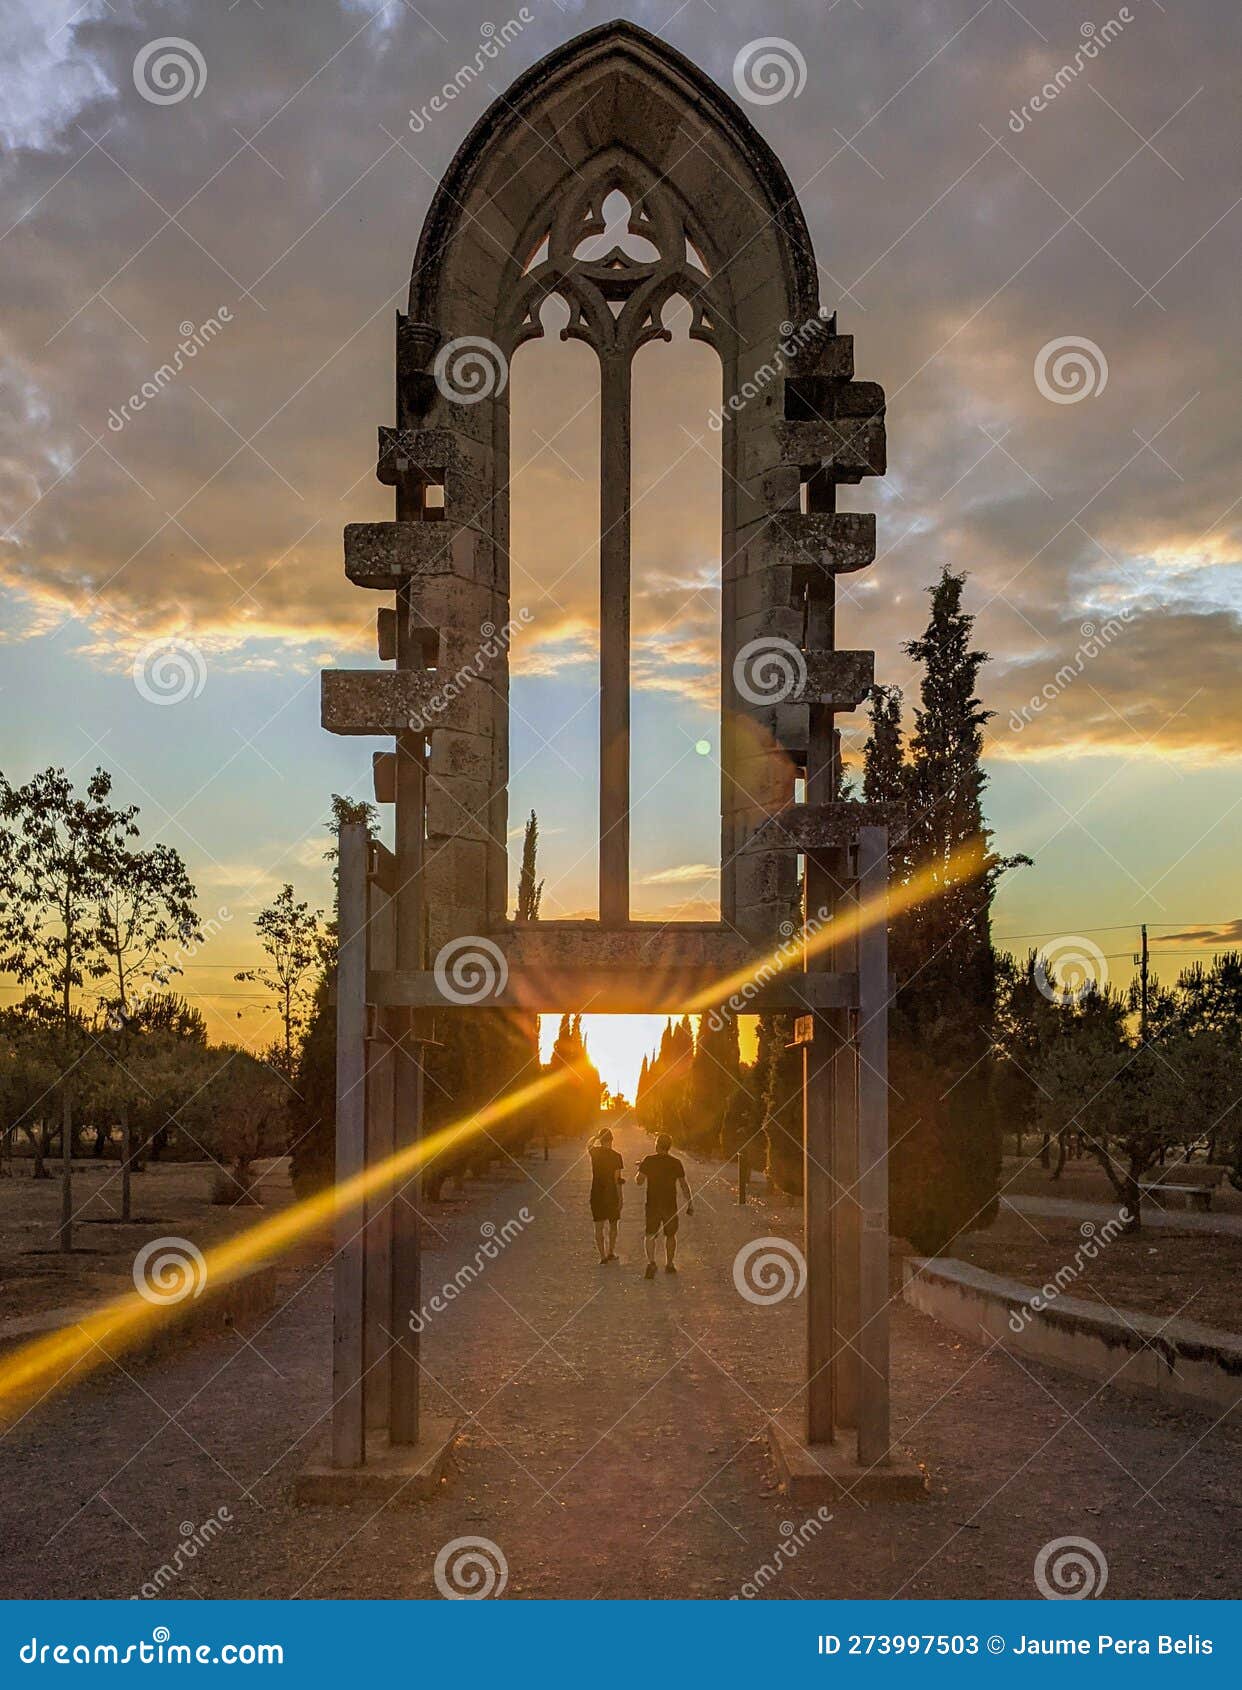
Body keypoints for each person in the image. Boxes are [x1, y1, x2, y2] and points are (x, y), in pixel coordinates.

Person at [636, 1132, 693, 1279]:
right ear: (669, 1147)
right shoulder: (676, 1163)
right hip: (670, 1204)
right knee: (671, 1235)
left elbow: (639, 1181)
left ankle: (651, 1262)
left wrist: (640, 1169)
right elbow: (684, 1185)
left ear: (657, 1145)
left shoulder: (648, 1161)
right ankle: (669, 1264)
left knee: (650, 1234)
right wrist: (690, 1203)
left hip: (653, 1204)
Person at [588, 1126, 624, 1264]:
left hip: (596, 1192)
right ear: (612, 1140)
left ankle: (602, 1256)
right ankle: (611, 1252)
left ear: (601, 1140)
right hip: (611, 1193)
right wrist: (620, 1197)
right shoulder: (617, 1156)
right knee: (613, 1224)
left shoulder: (595, 1152)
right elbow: (617, 1179)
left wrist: (596, 1137)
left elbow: (588, 1144)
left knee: (598, 1226)